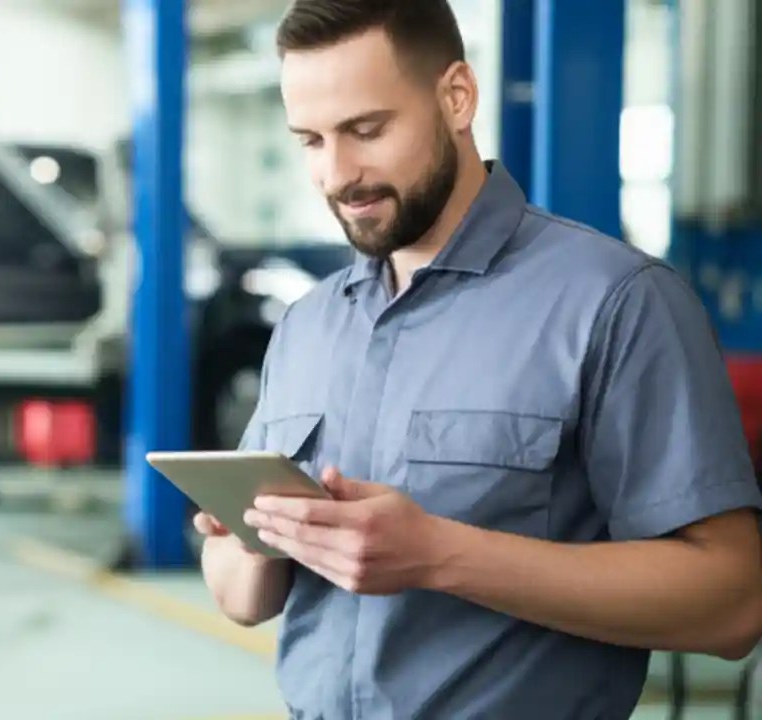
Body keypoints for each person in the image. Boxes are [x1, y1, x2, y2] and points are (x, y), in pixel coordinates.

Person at [193, 1, 762, 718]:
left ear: (456, 97)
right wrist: (247, 549)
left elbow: (734, 601)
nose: (337, 174)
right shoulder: (308, 326)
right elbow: (242, 593)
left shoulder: (616, 302)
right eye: (310, 140)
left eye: (366, 130)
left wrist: (436, 553)